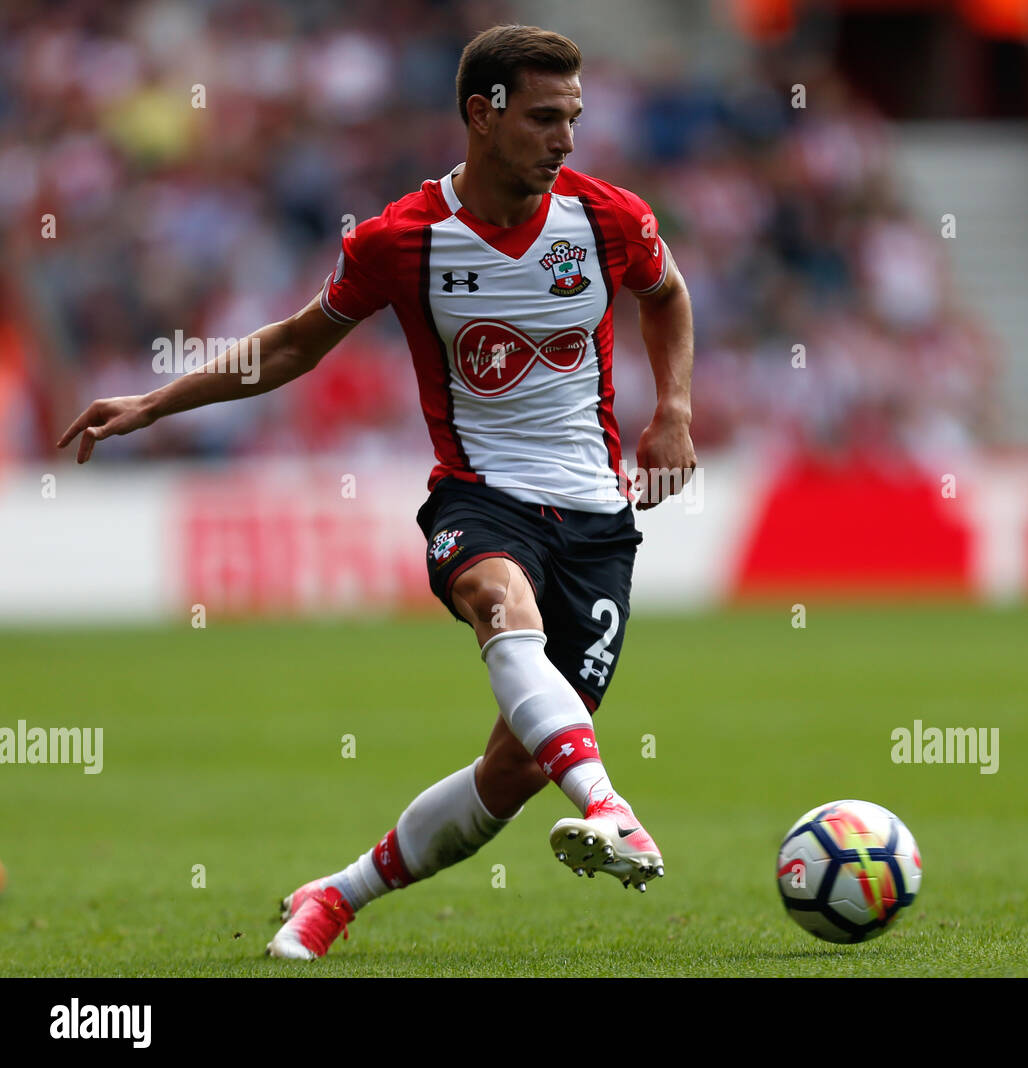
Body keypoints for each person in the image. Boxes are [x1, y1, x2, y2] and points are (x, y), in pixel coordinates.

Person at [56, 24, 696, 960]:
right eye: (546, 118)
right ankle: (613, 809)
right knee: (496, 600)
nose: (566, 140)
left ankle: (338, 895)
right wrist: (158, 401)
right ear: (484, 115)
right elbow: (288, 346)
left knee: (513, 769)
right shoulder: (404, 239)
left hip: (599, 520)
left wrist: (673, 409)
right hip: (480, 499)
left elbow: (668, 294)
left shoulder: (606, 217)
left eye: (575, 118)